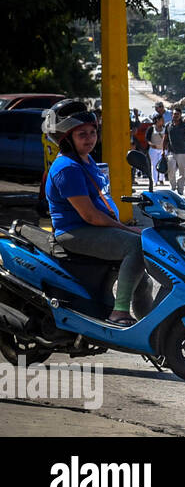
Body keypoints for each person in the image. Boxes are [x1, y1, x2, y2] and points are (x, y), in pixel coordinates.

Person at [42, 100, 143, 326]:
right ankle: (119, 312)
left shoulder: (86, 161)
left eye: (92, 132)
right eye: (82, 135)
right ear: (66, 138)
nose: (90, 138)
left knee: (147, 254)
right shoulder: (68, 168)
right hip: (76, 231)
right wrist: (127, 229)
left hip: (95, 228)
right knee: (136, 246)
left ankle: (149, 321)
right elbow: (90, 215)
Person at [163, 106, 185, 192]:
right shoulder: (168, 125)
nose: (175, 116)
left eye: (177, 114)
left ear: (180, 115)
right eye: (174, 114)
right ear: (172, 115)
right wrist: (163, 151)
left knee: (182, 173)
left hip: (183, 152)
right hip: (171, 152)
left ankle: (180, 190)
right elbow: (165, 138)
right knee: (171, 170)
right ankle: (173, 187)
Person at [146, 114, 167, 184]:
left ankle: (161, 179)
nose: (163, 121)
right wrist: (151, 144)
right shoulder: (151, 128)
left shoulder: (165, 128)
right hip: (153, 149)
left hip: (162, 149)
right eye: (161, 120)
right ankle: (154, 180)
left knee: (162, 164)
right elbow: (147, 139)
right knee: (154, 164)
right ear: (157, 120)